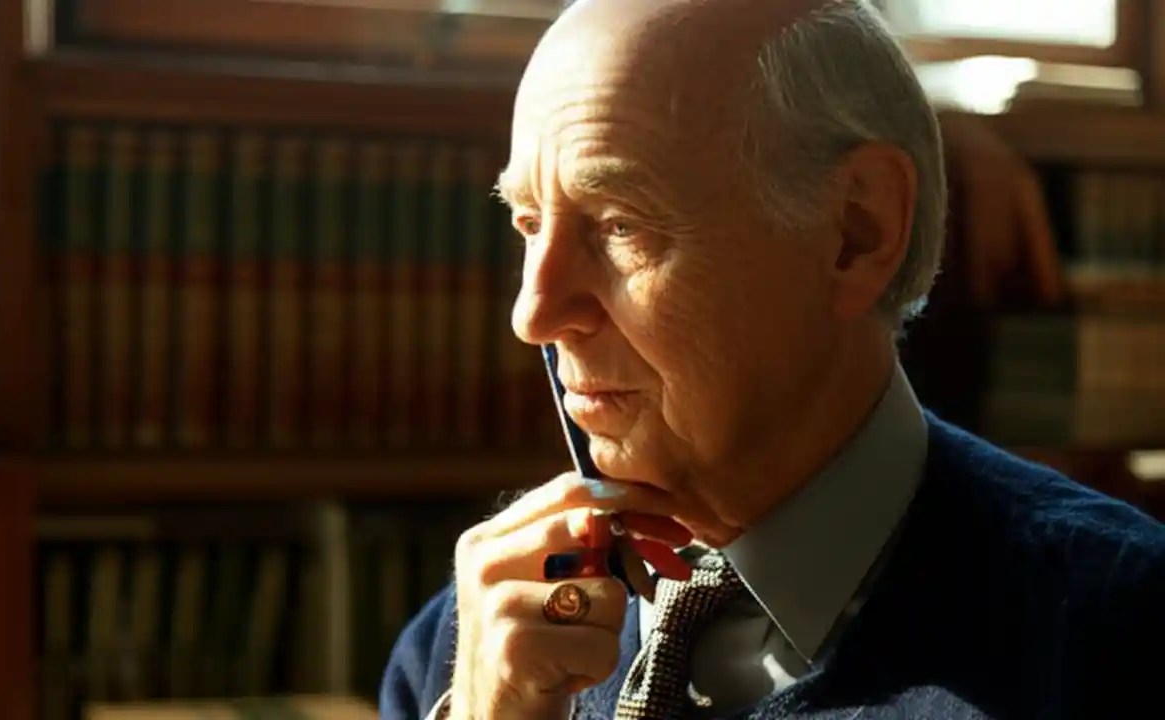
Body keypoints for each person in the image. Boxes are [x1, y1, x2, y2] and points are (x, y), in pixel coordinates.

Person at [380, 0, 1165, 717]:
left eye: (619, 226)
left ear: (855, 231)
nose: (534, 314)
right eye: (528, 224)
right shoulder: (472, 641)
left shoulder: (1116, 639)